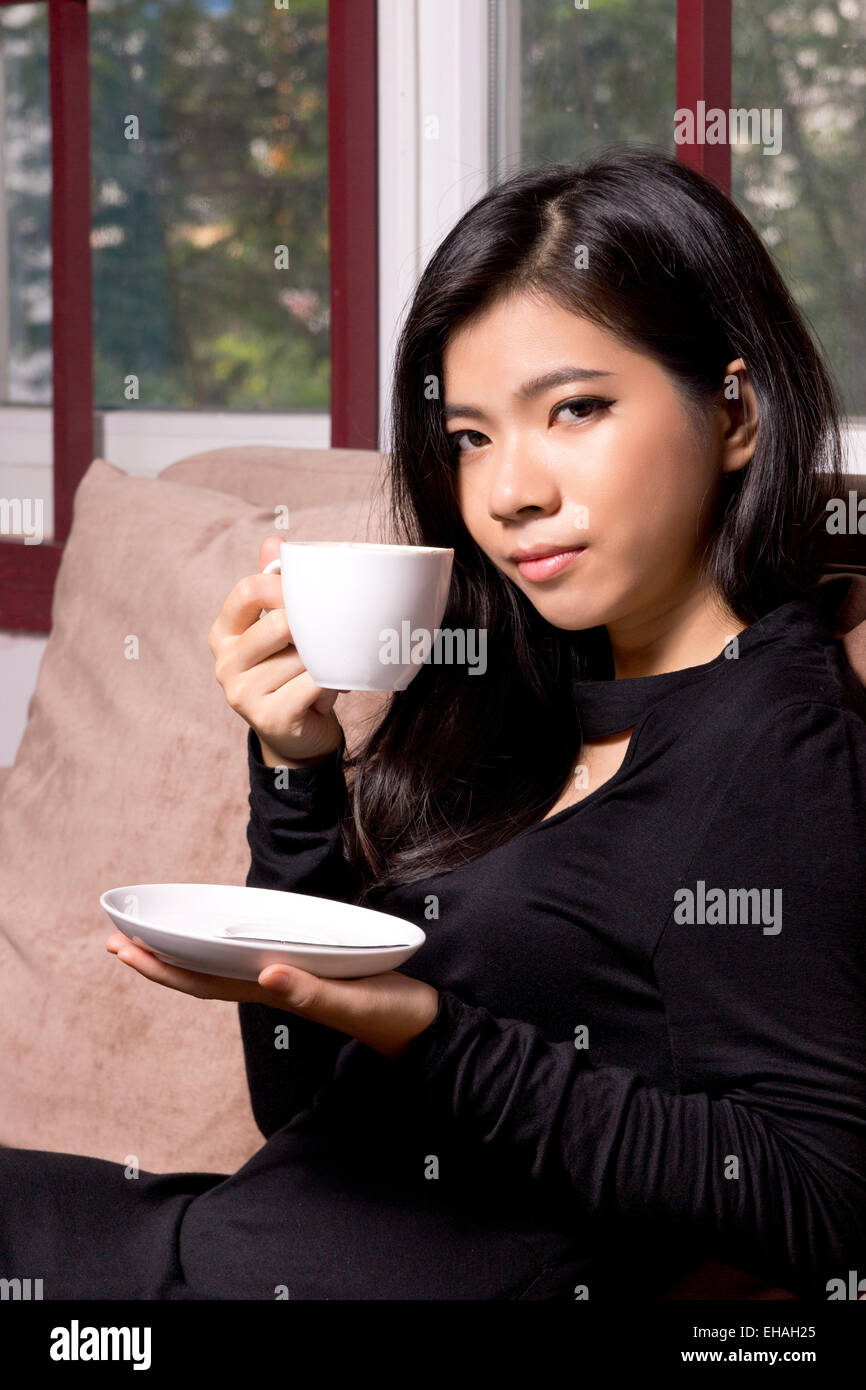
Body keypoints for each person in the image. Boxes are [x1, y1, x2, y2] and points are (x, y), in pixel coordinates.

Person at [1, 148, 863, 1301]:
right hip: (195, 1251)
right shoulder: (515, 703)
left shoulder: (775, 745)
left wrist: (428, 1027)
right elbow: (309, 1109)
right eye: (469, 436)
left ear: (734, 410)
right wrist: (294, 776)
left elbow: (817, 1200)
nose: (509, 489)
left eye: (574, 408)